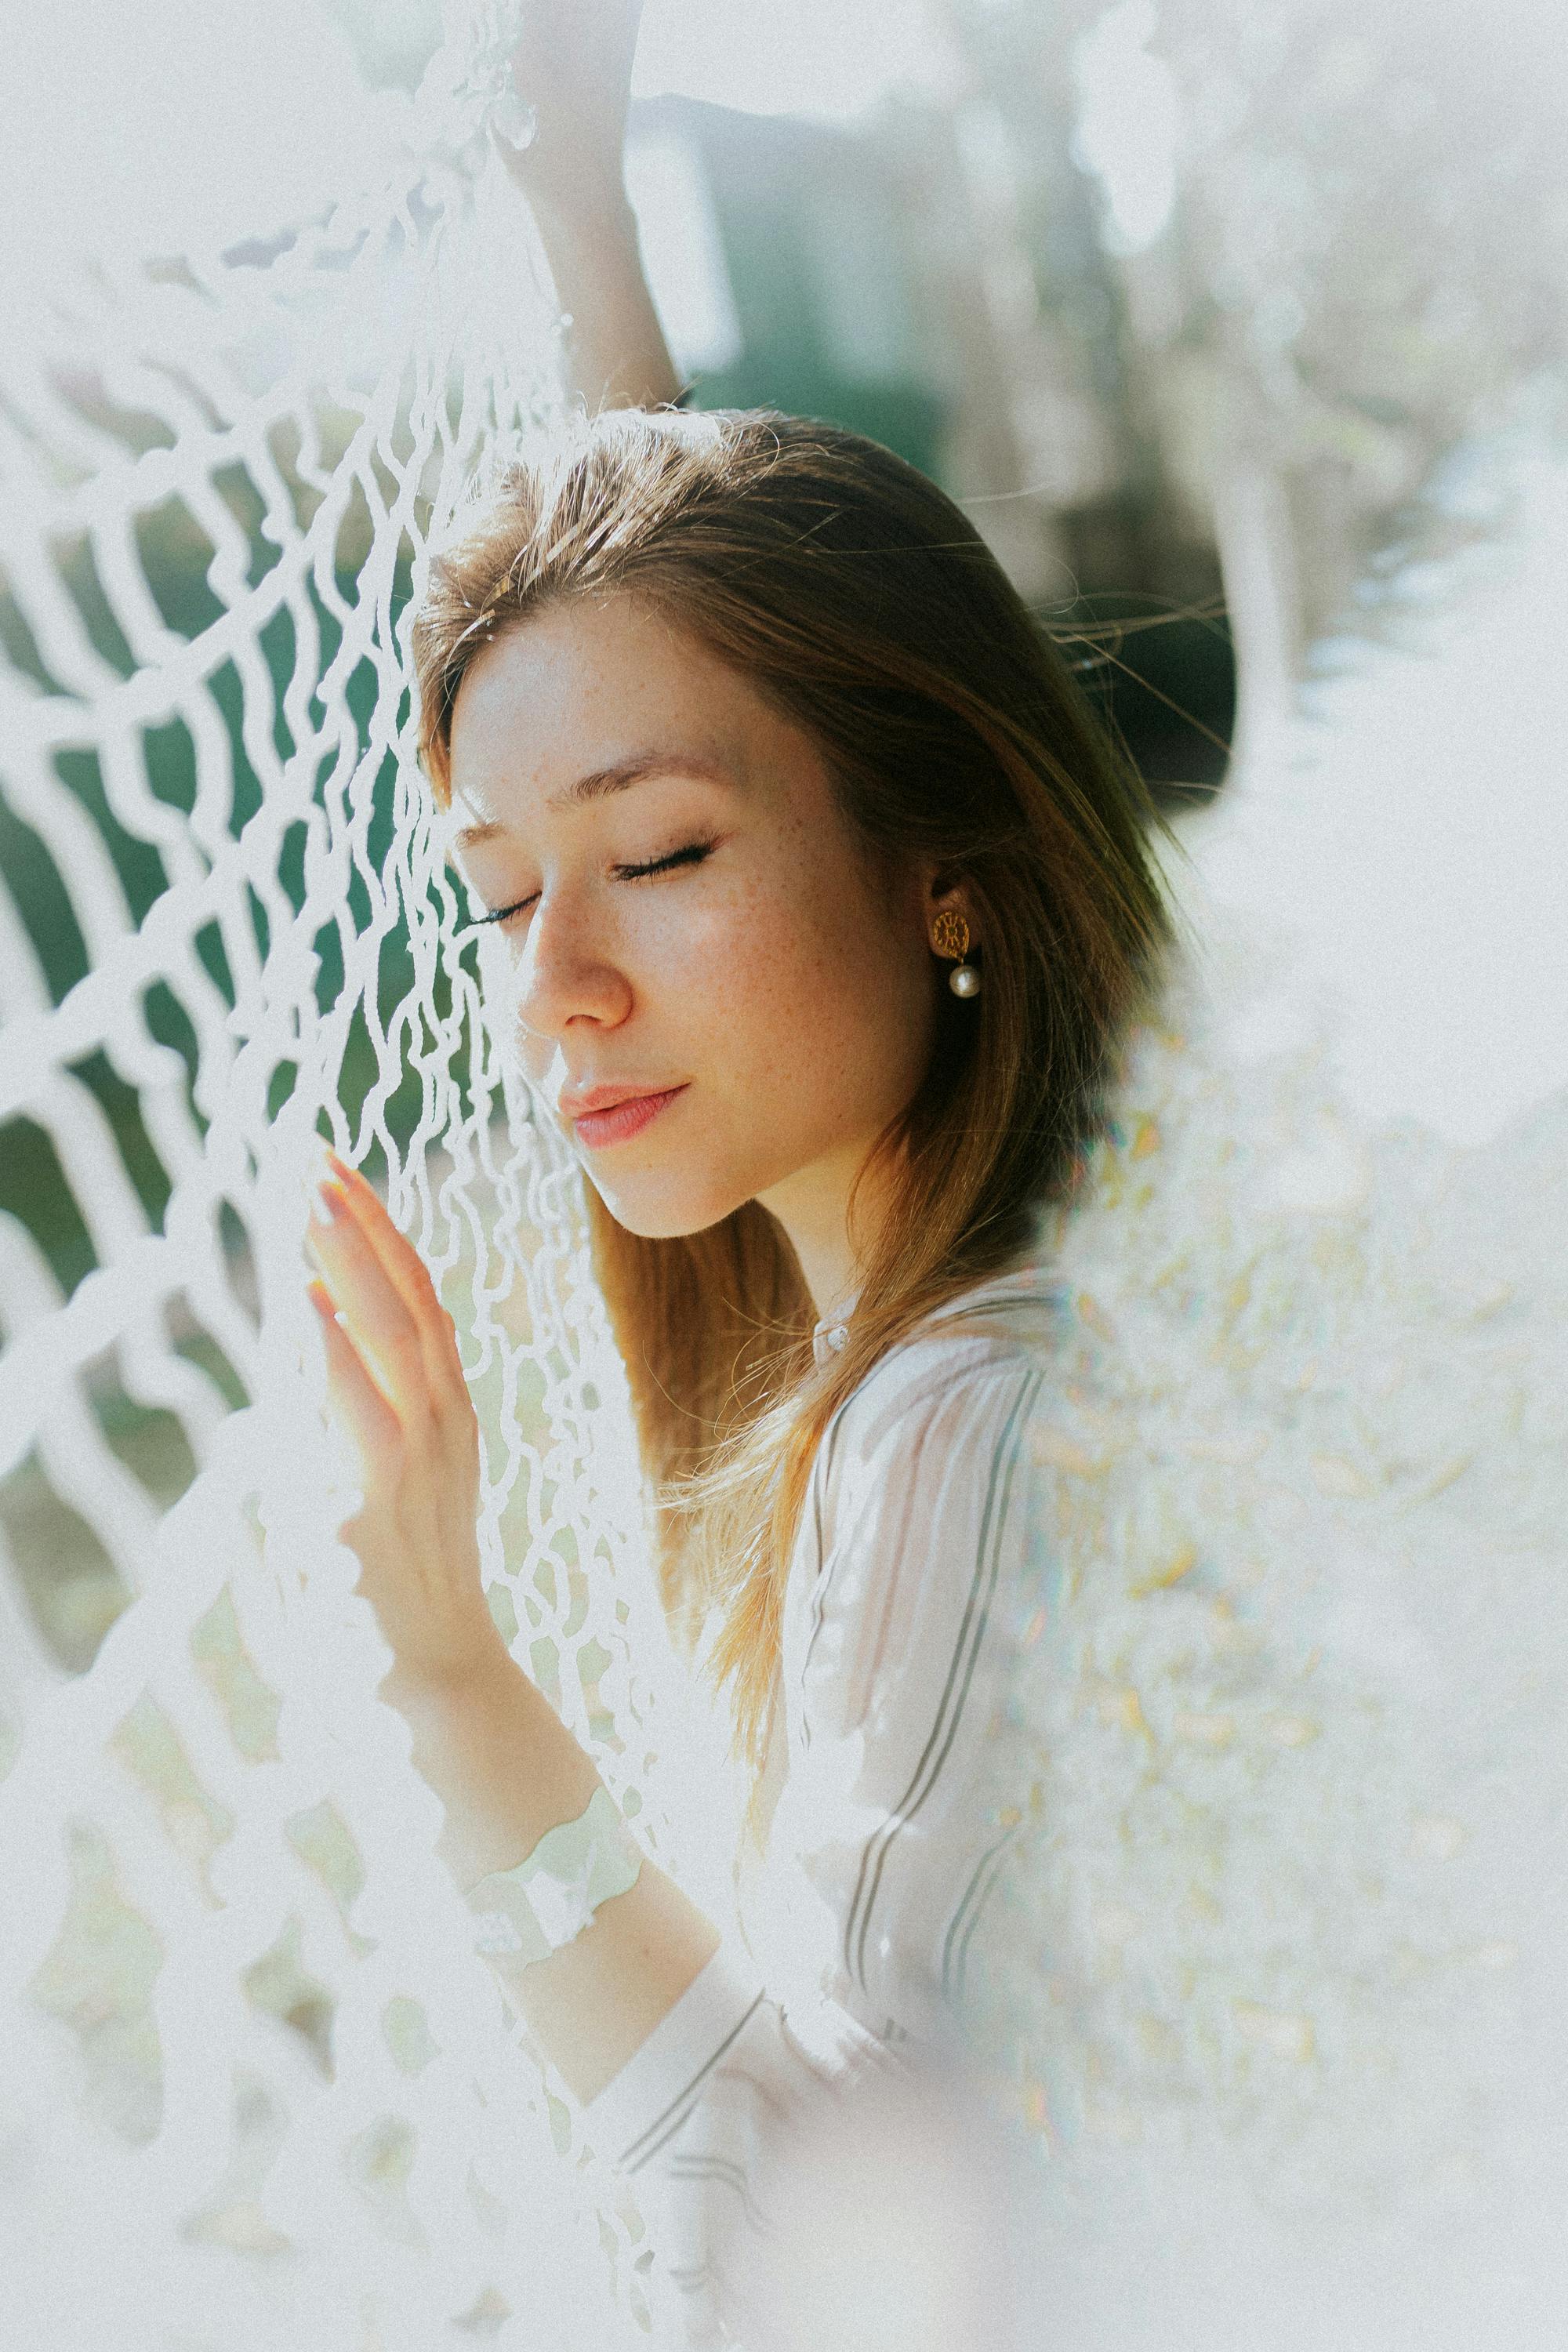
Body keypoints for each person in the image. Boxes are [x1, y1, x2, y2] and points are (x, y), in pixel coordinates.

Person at [299, 7, 1181, 2343]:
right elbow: (718, 664)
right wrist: (583, 225)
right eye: (500, 893)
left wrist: (445, 1668)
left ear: (946, 865)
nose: (555, 985)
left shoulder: (968, 1429)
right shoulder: (1003, 1293)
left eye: (660, 860)